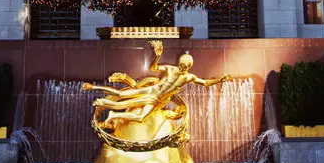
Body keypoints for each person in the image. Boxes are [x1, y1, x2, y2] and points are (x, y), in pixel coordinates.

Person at [82, 40, 232, 130]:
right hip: (151, 90)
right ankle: (93, 88)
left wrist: (220, 79)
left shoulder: (188, 78)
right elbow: (153, 68)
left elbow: (205, 83)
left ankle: (114, 114)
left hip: (156, 100)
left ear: (189, 67)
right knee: (121, 95)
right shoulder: (170, 69)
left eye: (184, 67)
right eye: (180, 65)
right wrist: (158, 56)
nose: (181, 68)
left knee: (140, 117)